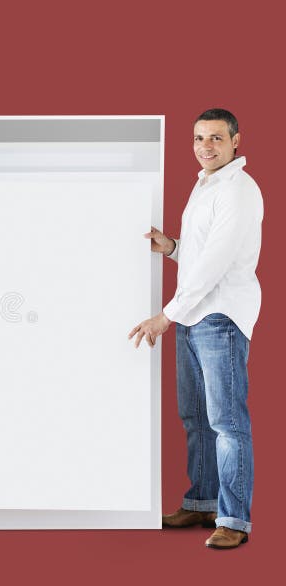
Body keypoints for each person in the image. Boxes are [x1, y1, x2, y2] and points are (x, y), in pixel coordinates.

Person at [128, 109, 263, 549]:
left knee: (227, 422)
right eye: (199, 138)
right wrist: (171, 247)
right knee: (196, 418)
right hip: (193, 315)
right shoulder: (206, 185)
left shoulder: (239, 190)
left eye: (216, 138)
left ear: (236, 141)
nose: (206, 146)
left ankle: (234, 520)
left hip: (219, 317)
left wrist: (165, 316)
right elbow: (200, 252)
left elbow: (215, 264)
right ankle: (203, 502)